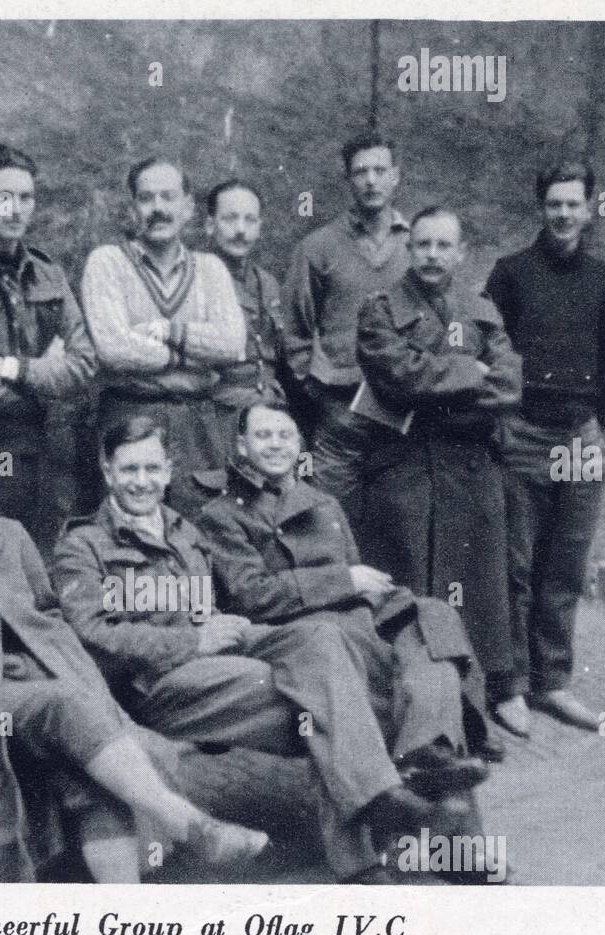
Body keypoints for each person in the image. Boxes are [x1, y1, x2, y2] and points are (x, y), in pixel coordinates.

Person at [51, 414, 470, 883]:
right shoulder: (82, 545)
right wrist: (192, 640)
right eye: (129, 470)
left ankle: (382, 807)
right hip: (157, 682)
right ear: (107, 472)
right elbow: (89, 633)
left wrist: (226, 629)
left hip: (221, 652)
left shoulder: (183, 531)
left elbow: (224, 603)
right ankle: (377, 839)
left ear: (169, 470)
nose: (142, 482)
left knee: (321, 641)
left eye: (152, 469)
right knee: (320, 699)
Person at [0, 420, 268, 883]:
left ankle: (125, 914)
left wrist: (54, 666)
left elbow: (48, 615)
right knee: (64, 704)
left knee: (86, 767)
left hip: (28, 696)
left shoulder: (8, 536)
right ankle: (186, 822)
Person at [196, 401, 492, 794]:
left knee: (434, 617)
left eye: (285, 436)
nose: (275, 445)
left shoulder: (323, 502)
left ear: (300, 444)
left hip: (354, 614)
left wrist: (368, 592)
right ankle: (432, 752)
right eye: (263, 435)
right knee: (415, 659)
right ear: (241, 445)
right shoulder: (222, 514)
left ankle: (427, 750)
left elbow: (355, 572)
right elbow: (251, 595)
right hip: (300, 628)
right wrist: (343, 581)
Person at [354, 206, 522, 703]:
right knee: (415, 595)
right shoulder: (380, 308)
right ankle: (418, 709)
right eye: (423, 245)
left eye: (443, 246)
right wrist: (471, 374)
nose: (432, 255)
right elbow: (399, 376)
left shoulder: (481, 308)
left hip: (471, 470)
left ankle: (479, 701)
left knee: (478, 588)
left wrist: (444, 391)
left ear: (461, 253)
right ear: (409, 249)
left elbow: (510, 380)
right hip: (408, 471)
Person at [485, 161, 605, 735]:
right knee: (515, 566)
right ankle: (509, 685)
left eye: (574, 204)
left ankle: (553, 682)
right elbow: (487, 349)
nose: (564, 214)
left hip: (581, 436)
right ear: (542, 209)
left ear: (589, 209)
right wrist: (499, 422)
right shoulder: (510, 273)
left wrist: (604, 422)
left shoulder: (598, 275)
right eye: (554, 205)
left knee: (564, 567)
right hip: (525, 435)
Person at [0, 143, 97, 546]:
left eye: (26, 198)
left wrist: (11, 369)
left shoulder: (49, 276)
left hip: (53, 455)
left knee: (48, 567)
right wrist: (45, 381)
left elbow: (82, 365)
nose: (16, 210)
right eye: (4, 198)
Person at [80, 157, 245, 517]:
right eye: (146, 198)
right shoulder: (107, 262)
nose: (157, 209)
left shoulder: (211, 269)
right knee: (127, 535)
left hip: (200, 424)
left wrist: (170, 332)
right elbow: (114, 349)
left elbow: (233, 344)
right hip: (128, 416)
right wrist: (191, 356)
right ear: (131, 207)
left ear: (187, 208)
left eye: (168, 197)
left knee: (204, 531)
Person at [283, 132, 410, 557]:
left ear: (396, 177)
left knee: (397, 529)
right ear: (348, 181)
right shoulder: (318, 247)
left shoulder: (417, 246)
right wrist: (317, 389)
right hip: (339, 413)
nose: (371, 181)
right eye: (360, 172)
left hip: (404, 412)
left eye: (379, 171)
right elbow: (295, 329)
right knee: (331, 530)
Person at [202, 178, 303, 431]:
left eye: (250, 220)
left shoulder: (267, 283)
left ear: (259, 228)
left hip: (269, 409)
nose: (240, 230)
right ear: (209, 225)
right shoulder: (195, 279)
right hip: (217, 414)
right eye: (230, 219)